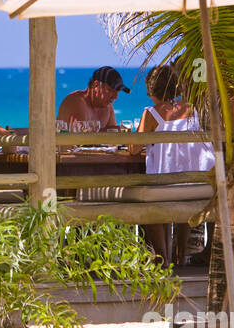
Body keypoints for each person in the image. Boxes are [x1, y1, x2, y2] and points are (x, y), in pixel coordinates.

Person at [135, 65, 214, 266]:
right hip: (194, 187)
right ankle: (179, 257)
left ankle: (162, 257)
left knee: (151, 203)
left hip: (166, 188)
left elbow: (133, 148)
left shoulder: (151, 113)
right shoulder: (192, 109)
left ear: (151, 90)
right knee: (175, 194)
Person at [57, 66, 130, 130]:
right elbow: (81, 139)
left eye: (117, 91)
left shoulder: (107, 106)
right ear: (95, 85)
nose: (115, 96)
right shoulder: (77, 102)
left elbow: (112, 134)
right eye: (110, 90)